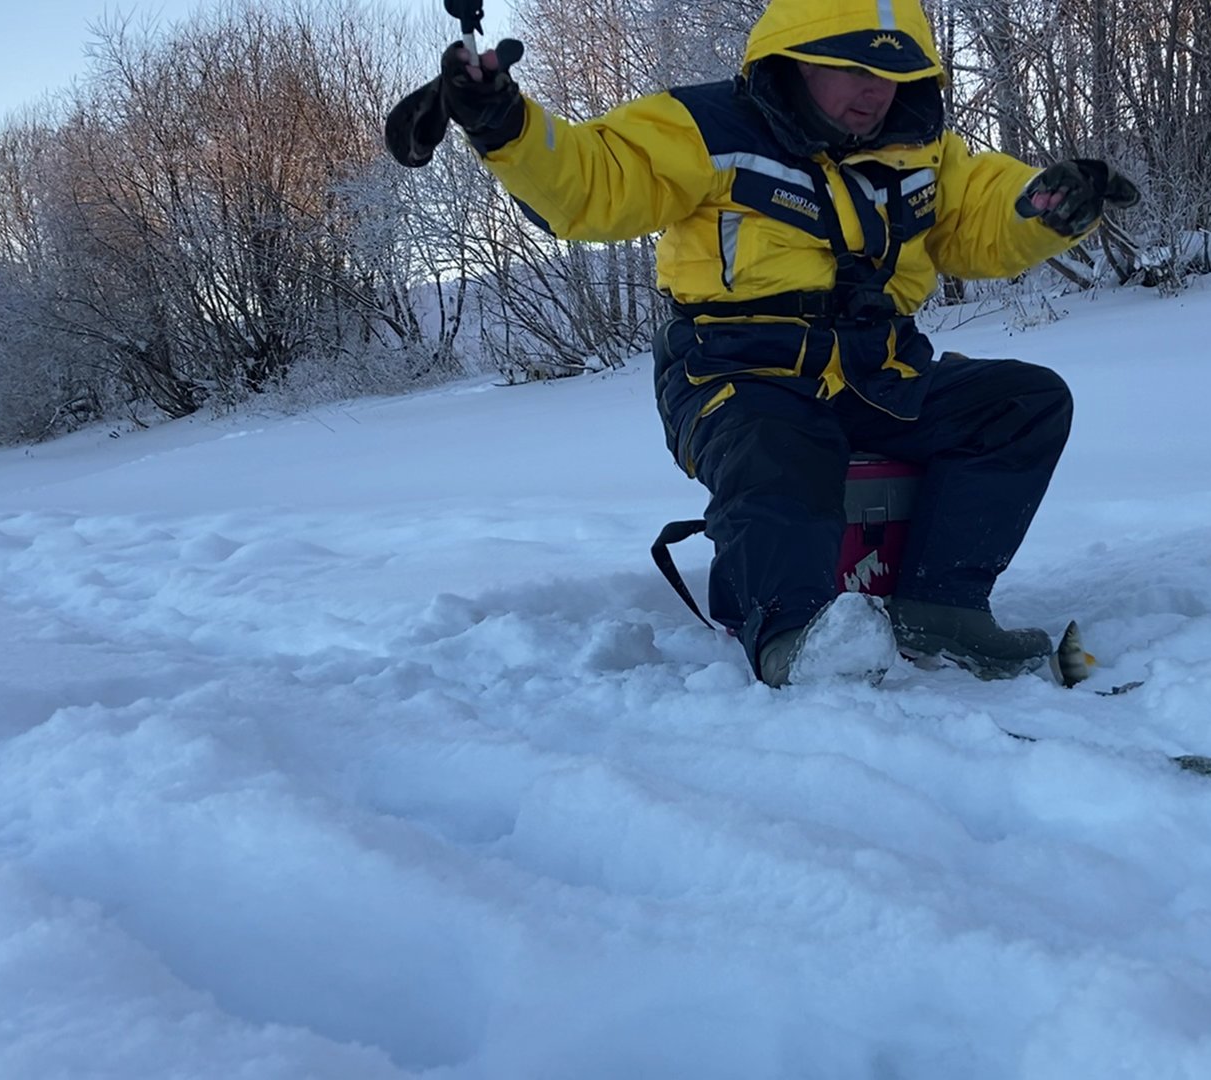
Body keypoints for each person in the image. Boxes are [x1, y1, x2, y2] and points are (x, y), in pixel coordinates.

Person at [389, 0, 1137, 687]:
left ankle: (942, 608)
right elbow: (593, 182)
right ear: (795, 57)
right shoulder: (703, 127)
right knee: (779, 448)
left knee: (1023, 403)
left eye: (893, 71)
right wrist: (506, 125)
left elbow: (981, 223)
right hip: (735, 375)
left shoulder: (926, 149)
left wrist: (1045, 208)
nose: (873, 90)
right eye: (849, 66)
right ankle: (793, 638)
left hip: (878, 374)